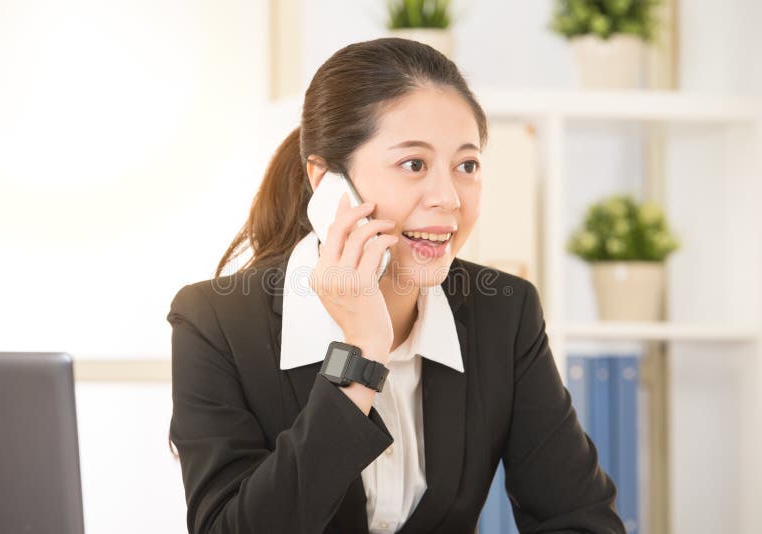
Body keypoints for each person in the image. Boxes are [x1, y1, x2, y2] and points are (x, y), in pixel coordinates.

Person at [167, 37, 624, 534]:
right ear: (327, 184)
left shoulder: (504, 313)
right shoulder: (216, 322)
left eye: (466, 165)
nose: (449, 199)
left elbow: (582, 521)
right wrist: (360, 354)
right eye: (414, 165)